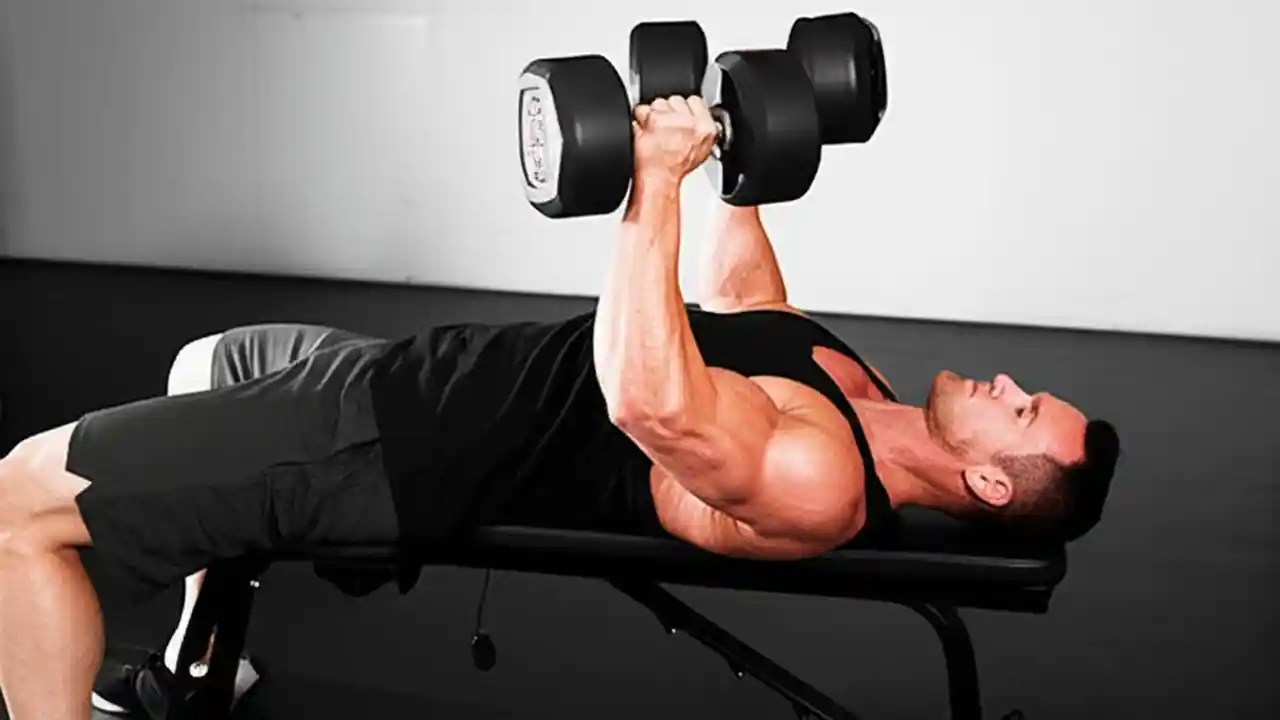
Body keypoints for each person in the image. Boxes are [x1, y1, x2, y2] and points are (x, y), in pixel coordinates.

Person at [0, 96, 1121, 720]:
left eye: (1021, 416)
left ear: (982, 483)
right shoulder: (861, 394)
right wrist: (739, 144)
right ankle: (200, 664)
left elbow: (649, 400)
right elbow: (744, 305)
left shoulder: (821, 479)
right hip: (418, 378)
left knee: (17, 506)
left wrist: (653, 180)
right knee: (215, 359)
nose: (1008, 387)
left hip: (388, 450)